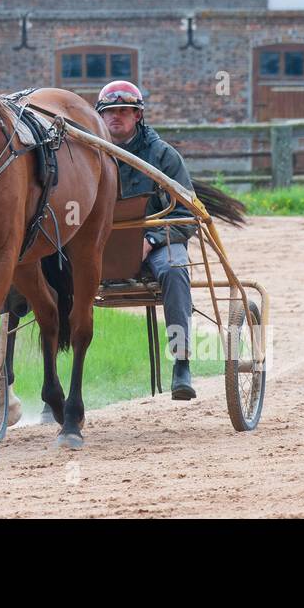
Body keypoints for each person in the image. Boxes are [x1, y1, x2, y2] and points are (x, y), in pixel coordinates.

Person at [95, 80, 197, 400]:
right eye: (110, 112)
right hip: (101, 243)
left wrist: (150, 240)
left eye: (124, 111)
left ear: (138, 115)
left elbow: (186, 214)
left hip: (157, 240)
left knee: (174, 269)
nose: (116, 117)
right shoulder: (88, 153)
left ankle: (181, 363)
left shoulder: (163, 155)